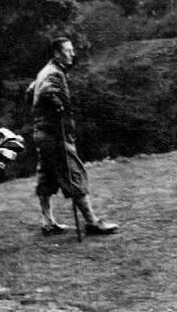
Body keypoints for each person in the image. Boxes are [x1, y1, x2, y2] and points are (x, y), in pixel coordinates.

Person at [31, 37, 119, 237]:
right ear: (57, 53)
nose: (72, 54)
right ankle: (92, 222)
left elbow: (31, 90)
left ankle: (48, 222)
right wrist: (55, 101)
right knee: (74, 173)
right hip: (55, 135)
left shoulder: (45, 71)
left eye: (72, 50)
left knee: (47, 176)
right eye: (68, 51)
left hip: (42, 133)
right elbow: (45, 91)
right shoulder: (53, 73)